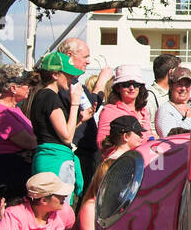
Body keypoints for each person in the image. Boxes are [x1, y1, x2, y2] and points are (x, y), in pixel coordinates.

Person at [77, 116, 146, 230]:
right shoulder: (114, 163)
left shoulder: (124, 160)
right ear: (126, 136)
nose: (141, 137)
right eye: (137, 133)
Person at [29, 51, 85, 204]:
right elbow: (66, 137)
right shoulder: (50, 97)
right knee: (58, 211)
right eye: (68, 74)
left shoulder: (40, 95)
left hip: (46, 157)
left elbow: (53, 132)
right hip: (55, 162)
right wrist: (75, 104)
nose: (72, 78)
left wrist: (80, 120)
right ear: (55, 74)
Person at [60, 37, 110, 185]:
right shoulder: (65, 87)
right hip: (77, 154)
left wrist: (102, 81)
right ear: (69, 56)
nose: (88, 62)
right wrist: (102, 81)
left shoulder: (74, 84)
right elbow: (89, 109)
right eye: (85, 57)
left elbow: (91, 105)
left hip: (85, 154)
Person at [0, 63, 38, 201]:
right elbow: (30, 142)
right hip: (13, 171)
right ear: (13, 88)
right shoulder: (0, 113)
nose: (29, 88)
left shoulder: (14, 109)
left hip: (20, 167)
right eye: (26, 84)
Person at [95, 63, 154, 146]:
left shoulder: (143, 111)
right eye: (126, 84)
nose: (132, 88)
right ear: (118, 88)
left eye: (136, 84)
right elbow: (102, 143)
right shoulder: (109, 111)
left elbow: (149, 138)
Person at [155, 66, 191, 136]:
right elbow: (169, 137)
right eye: (179, 84)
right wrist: (189, 118)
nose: (183, 88)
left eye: (187, 85)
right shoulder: (165, 109)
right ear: (171, 86)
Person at [147, 53, 181, 124]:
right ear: (170, 72)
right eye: (179, 70)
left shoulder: (176, 94)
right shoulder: (149, 98)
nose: (182, 74)